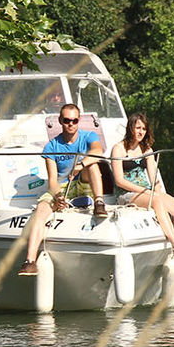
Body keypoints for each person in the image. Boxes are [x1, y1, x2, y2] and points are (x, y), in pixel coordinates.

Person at [19, 103, 107, 275]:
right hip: (62, 185)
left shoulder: (88, 136)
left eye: (74, 120)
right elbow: (52, 180)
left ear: (79, 121)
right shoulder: (51, 146)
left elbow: (98, 150)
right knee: (41, 208)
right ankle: (30, 261)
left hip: (83, 180)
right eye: (67, 120)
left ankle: (99, 202)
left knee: (93, 163)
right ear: (60, 121)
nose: (71, 124)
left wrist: (81, 165)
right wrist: (58, 196)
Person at [110, 113, 174, 272]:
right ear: (130, 128)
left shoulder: (147, 149)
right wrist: (148, 192)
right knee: (156, 201)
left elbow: (154, 179)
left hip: (148, 191)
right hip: (128, 194)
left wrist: (158, 192)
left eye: (144, 129)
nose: (141, 132)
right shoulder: (118, 149)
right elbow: (119, 180)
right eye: (138, 128)